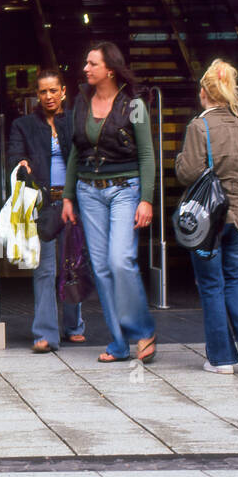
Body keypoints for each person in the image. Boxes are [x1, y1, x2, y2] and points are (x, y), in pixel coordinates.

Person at [61, 42, 157, 364]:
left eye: (92, 64)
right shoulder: (82, 102)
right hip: (88, 191)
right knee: (101, 268)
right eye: (86, 63)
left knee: (120, 261)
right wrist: (68, 196)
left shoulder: (135, 105)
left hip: (124, 189)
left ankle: (143, 330)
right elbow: (76, 150)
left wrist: (146, 199)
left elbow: (146, 154)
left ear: (110, 70)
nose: (85, 68)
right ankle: (118, 342)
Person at [174, 60, 238, 374]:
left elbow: (187, 173)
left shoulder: (199, 127)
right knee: (231, 281)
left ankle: (222, 358)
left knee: (210, 284)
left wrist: (178, 161)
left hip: (208, 222)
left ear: (204, 93)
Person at [8, 68, 85, 352]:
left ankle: (74, 324)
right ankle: (45, 335)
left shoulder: (76, 120)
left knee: (72, 266)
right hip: (42, 204)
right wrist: (21, 164)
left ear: (64, 92)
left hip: (72, 201)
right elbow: (15, 154)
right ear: (36, 95)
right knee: (44, 270)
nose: (49, 96)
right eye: (43, 91)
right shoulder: (23, 125)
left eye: (54, 90)